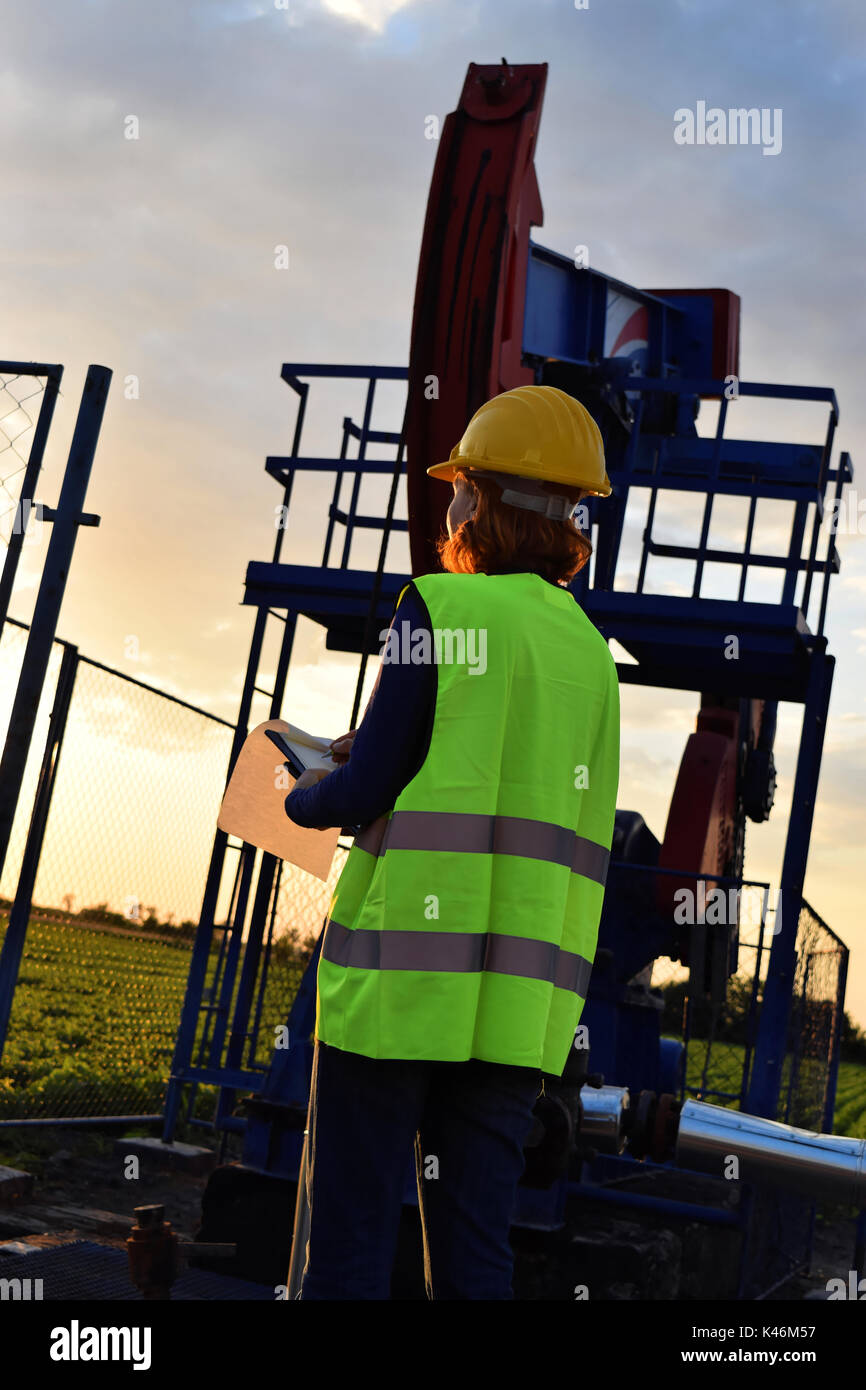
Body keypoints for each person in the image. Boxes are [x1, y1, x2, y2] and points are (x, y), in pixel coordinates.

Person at [284, 384, 620, 1300]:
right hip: (516, 1008)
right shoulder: (592, 654)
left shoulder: (437, 608)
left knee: (348, 1242)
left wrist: (301, 795)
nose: (453, 503)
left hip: (400, 988)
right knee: (475, 1258)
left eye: (462, 486)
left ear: (487, 500)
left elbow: (369, 787)